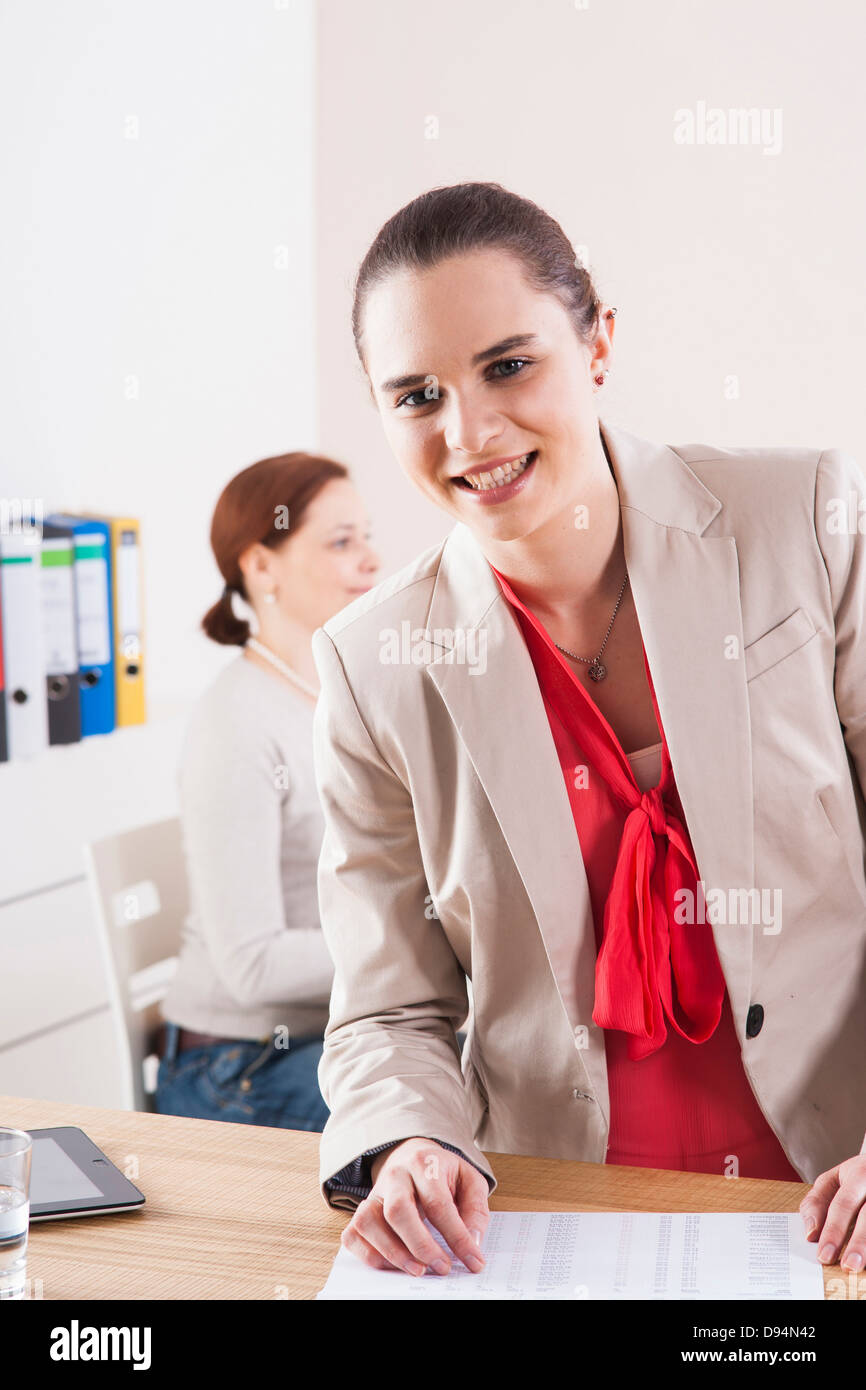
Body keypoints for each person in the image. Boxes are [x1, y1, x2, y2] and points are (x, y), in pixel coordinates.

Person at [310, 181, 866, 1280]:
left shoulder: (799, 518)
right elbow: (387, 1006)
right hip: (552, 1221)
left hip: (830, 1206)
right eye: (415, 393)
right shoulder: (371, 663)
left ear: (598, 342)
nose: (467, 432)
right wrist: (409, 1136)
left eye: (507, 365)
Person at [155, 451, 380, 1130]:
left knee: (517, 1077)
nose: (370, 560)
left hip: (339, 1032)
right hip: (236, 1067)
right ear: (260, 567)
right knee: (458, 1114)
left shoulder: (334, 691)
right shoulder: (236, 724)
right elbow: (251, 964)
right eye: (342, 542)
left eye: (367, 537)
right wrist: (420, 942)